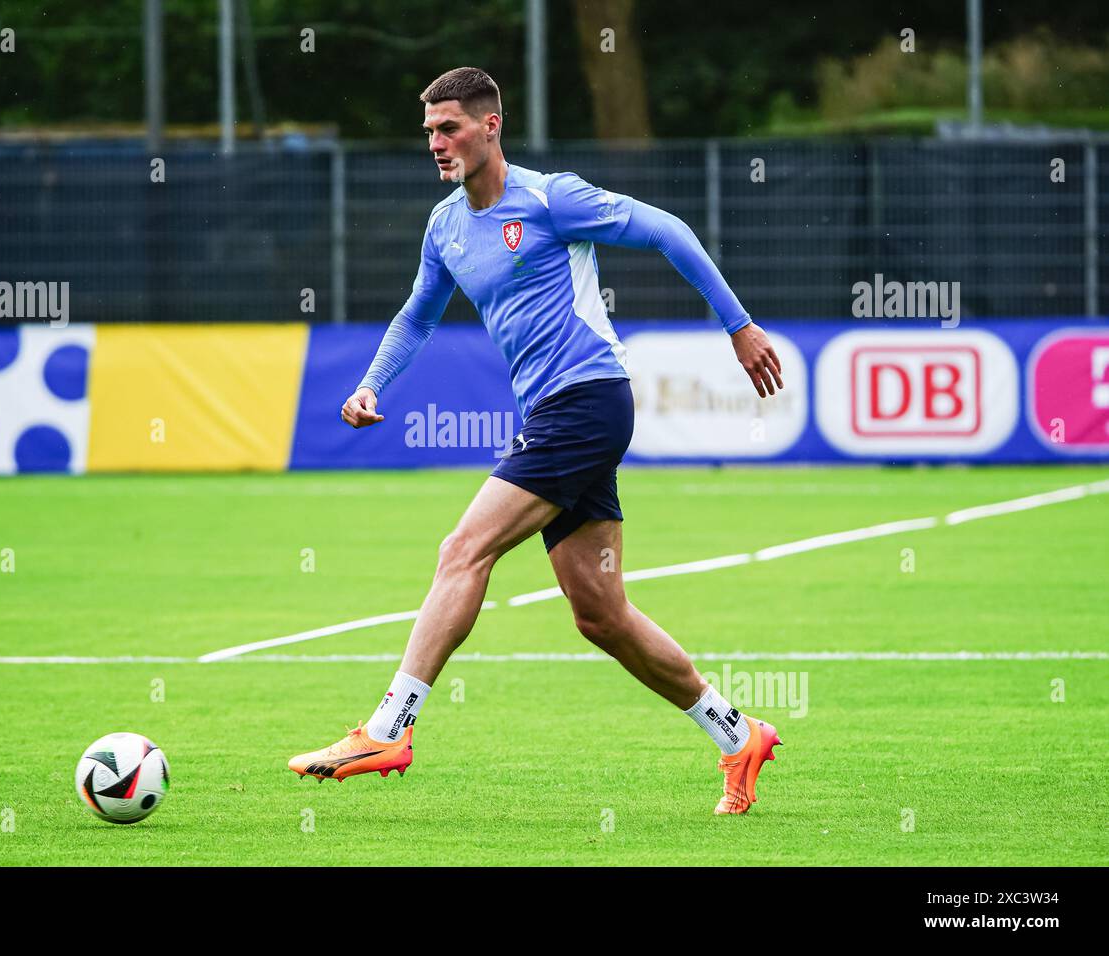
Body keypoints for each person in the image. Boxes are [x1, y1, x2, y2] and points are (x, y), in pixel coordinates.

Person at [288, 68, 786, 814]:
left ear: (492, 126)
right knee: (601, 615)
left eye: (449, 127)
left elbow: (668, 232)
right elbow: (417, 317)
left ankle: (390, 728)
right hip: (555, 416)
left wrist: (739, 326)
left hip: (586, 401)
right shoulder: (446, 226)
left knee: (463, 550)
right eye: (428, 130)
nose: (436, 142)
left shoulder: (553, 198)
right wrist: (371, 386)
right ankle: (736, 734)